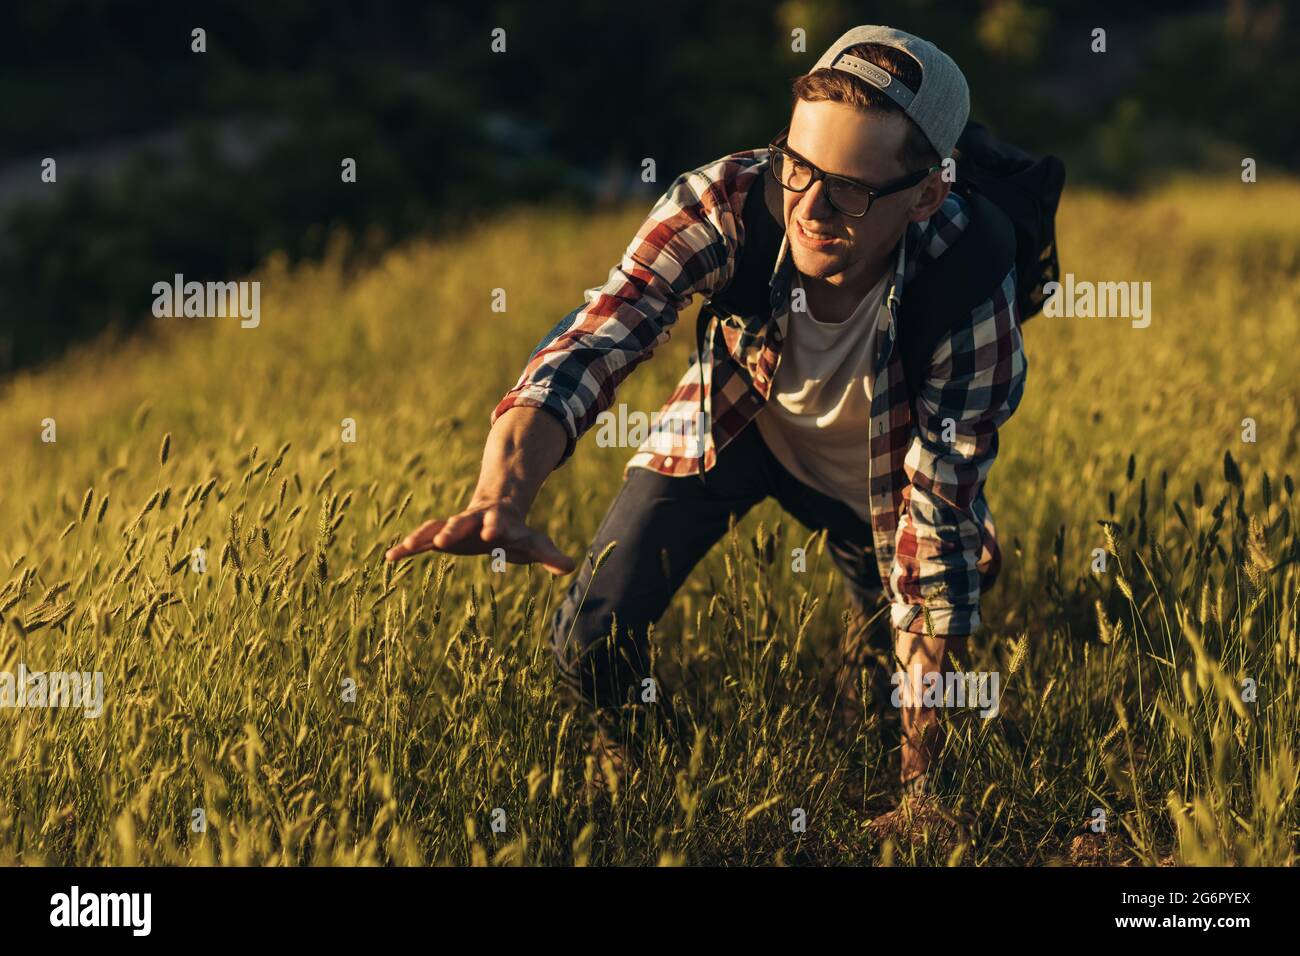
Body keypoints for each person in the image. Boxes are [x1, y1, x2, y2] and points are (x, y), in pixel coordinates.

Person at [385, 25, 1026, 830]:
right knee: (590, 638)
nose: (810, 208)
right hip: (733, 431)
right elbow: (601, 335)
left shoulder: (970, 286)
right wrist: (499, 494)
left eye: (852, 191)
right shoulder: (729, 199)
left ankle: (884, 746)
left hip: (879, 487)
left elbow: (936, 524)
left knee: (882, 683)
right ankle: (666, 779)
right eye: (798, 168)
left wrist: (923, 793)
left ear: (926, 195)